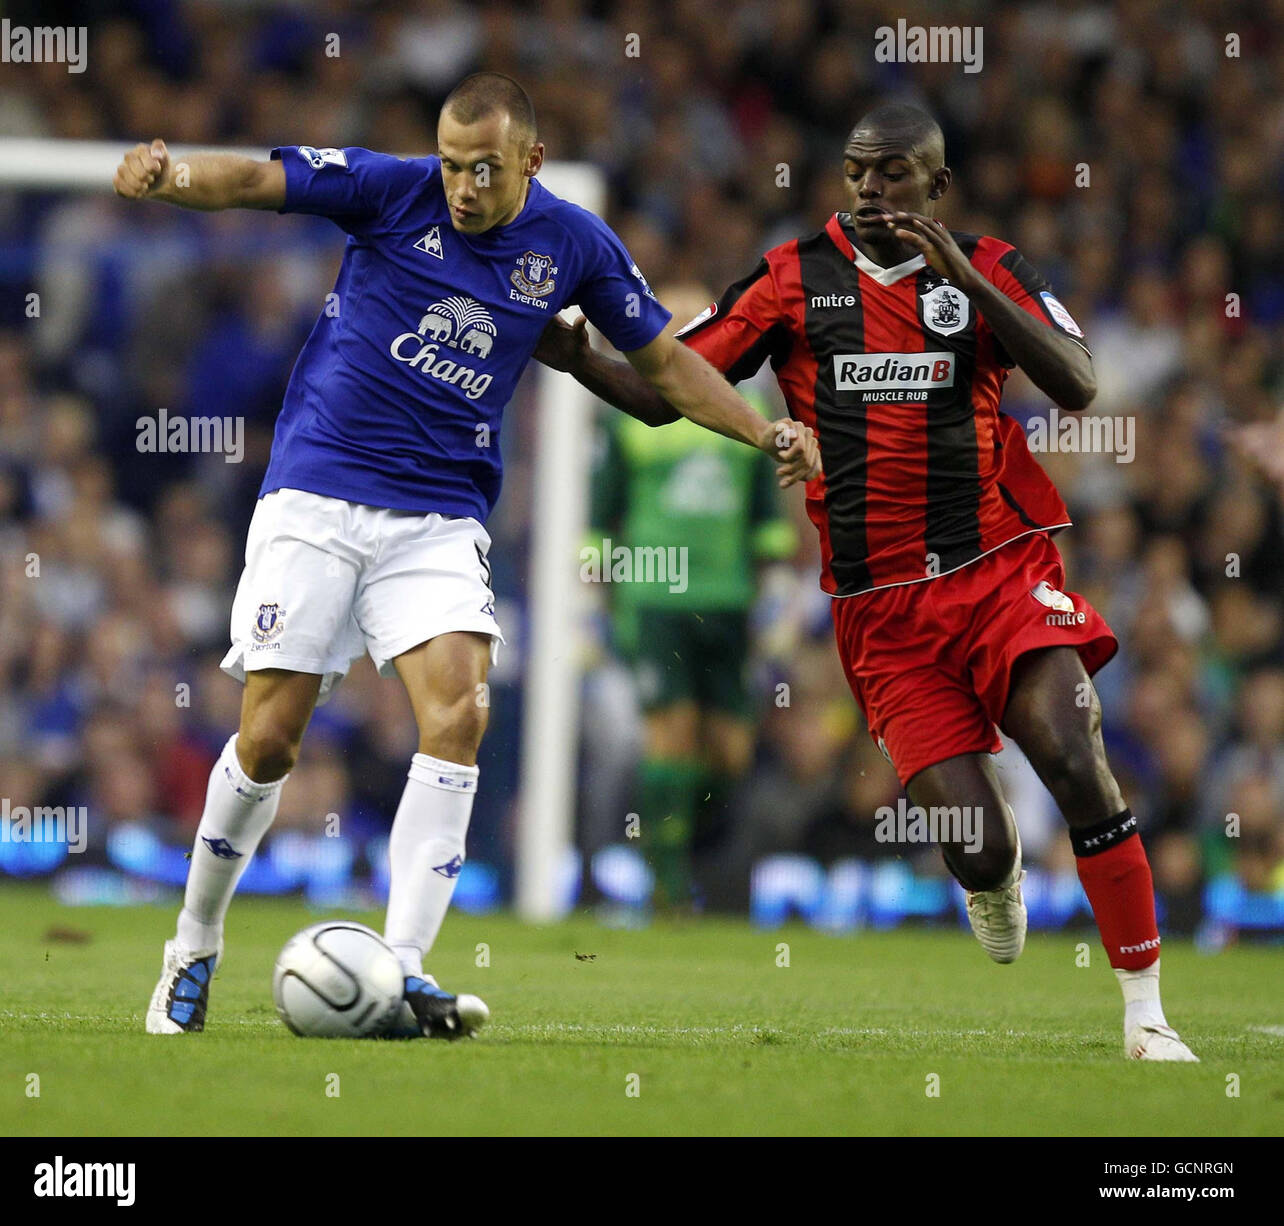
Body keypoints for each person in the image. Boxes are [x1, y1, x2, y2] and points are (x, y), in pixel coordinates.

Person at [113, 72, 820, 1039]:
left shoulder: (573, 243)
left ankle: (402, 972)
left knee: (460, 712)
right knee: (270, 738)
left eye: (484, 169)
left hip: (440, 516)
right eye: (451, 165)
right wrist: (172, 173)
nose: (462, 188)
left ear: (530, 160)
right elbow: (257, 180)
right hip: (320, 490)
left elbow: (663, 367)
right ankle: (192, 946)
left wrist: (762, 429)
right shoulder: (390, 189)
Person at [533, 103, 1197, 1061]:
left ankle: (1146, 1015)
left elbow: (1079, 382)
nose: (873, 193)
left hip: (998, 571)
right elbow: (666, 386)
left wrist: (969, 281)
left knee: (1068, 749)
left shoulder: (998, 267)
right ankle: (992, 872)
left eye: (894, 176)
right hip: (881, 613)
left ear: (939, 187)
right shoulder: (789, 281)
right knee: (975, 841)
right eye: (857, 175)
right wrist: (580, 355)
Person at [587, 283, 798, 910]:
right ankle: (666, 881)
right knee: (671, 734)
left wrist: (777, 596)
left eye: (695, 323)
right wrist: (592, 602)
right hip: (655, 599)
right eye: (671, 325)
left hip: (729, 602)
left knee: (729, 752)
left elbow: (768, 523)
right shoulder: (630, 415)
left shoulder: (744, 408)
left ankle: (685, 843)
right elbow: (603, 518)